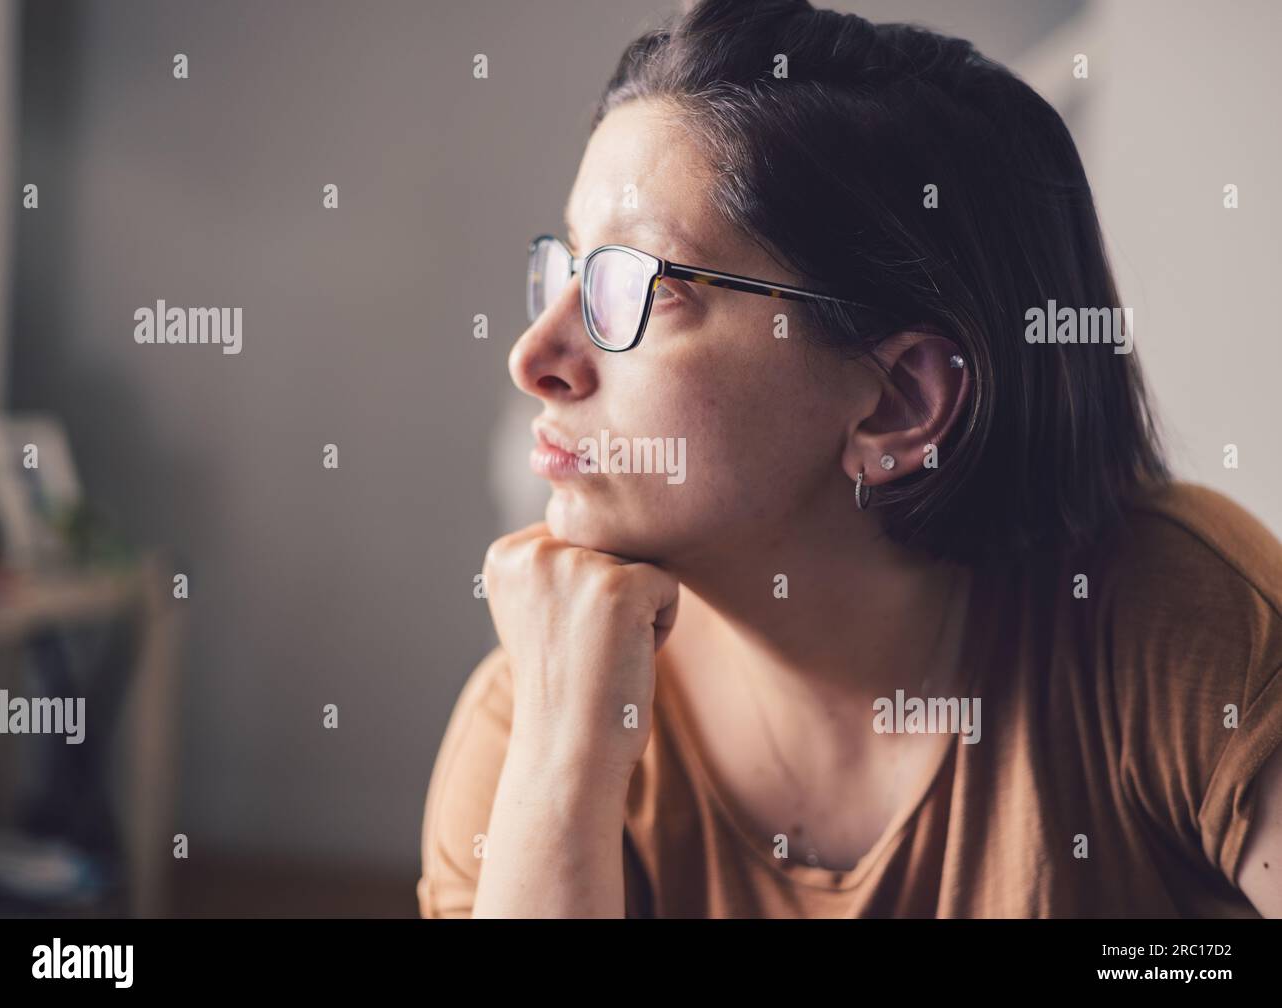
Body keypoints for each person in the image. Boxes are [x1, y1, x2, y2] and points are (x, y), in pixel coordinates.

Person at [417, 0, 1282, 918]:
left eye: (635, 285)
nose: (533, 355)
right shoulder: (547, 705)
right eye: (573, 267)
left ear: (901, 400)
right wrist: (562, 756)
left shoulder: (1173, 624)